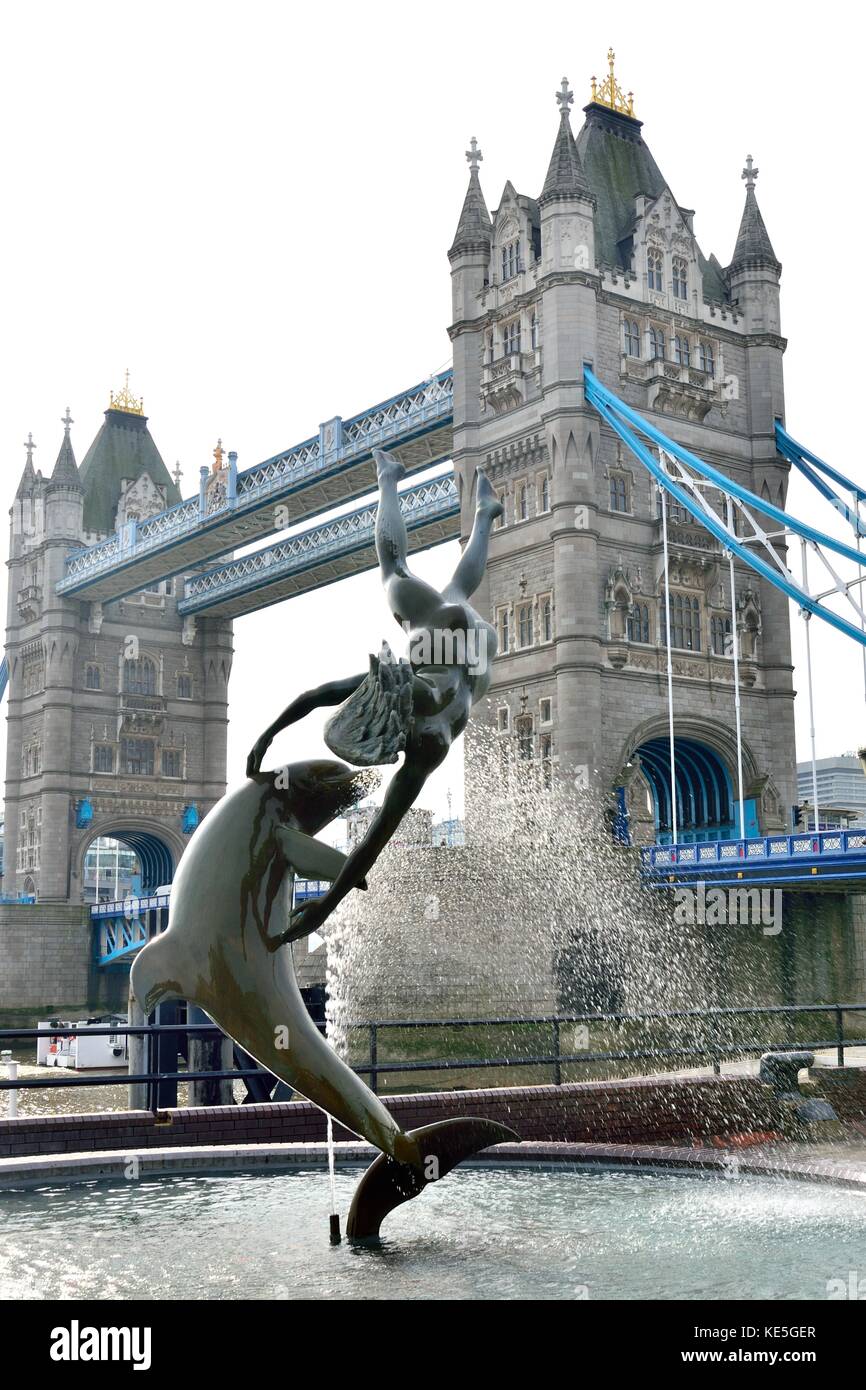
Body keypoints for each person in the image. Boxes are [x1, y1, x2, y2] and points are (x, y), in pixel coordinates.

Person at [246, 447, 503, 941]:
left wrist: (325, 907)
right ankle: (390, 479)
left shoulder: (428, 747)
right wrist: (268, 735)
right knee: (396, 572)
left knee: (438, 583)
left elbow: (372, 842)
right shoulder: (405, 683)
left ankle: (478, 513)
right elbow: (320, 693)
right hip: (450, 636)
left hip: (479, 656)